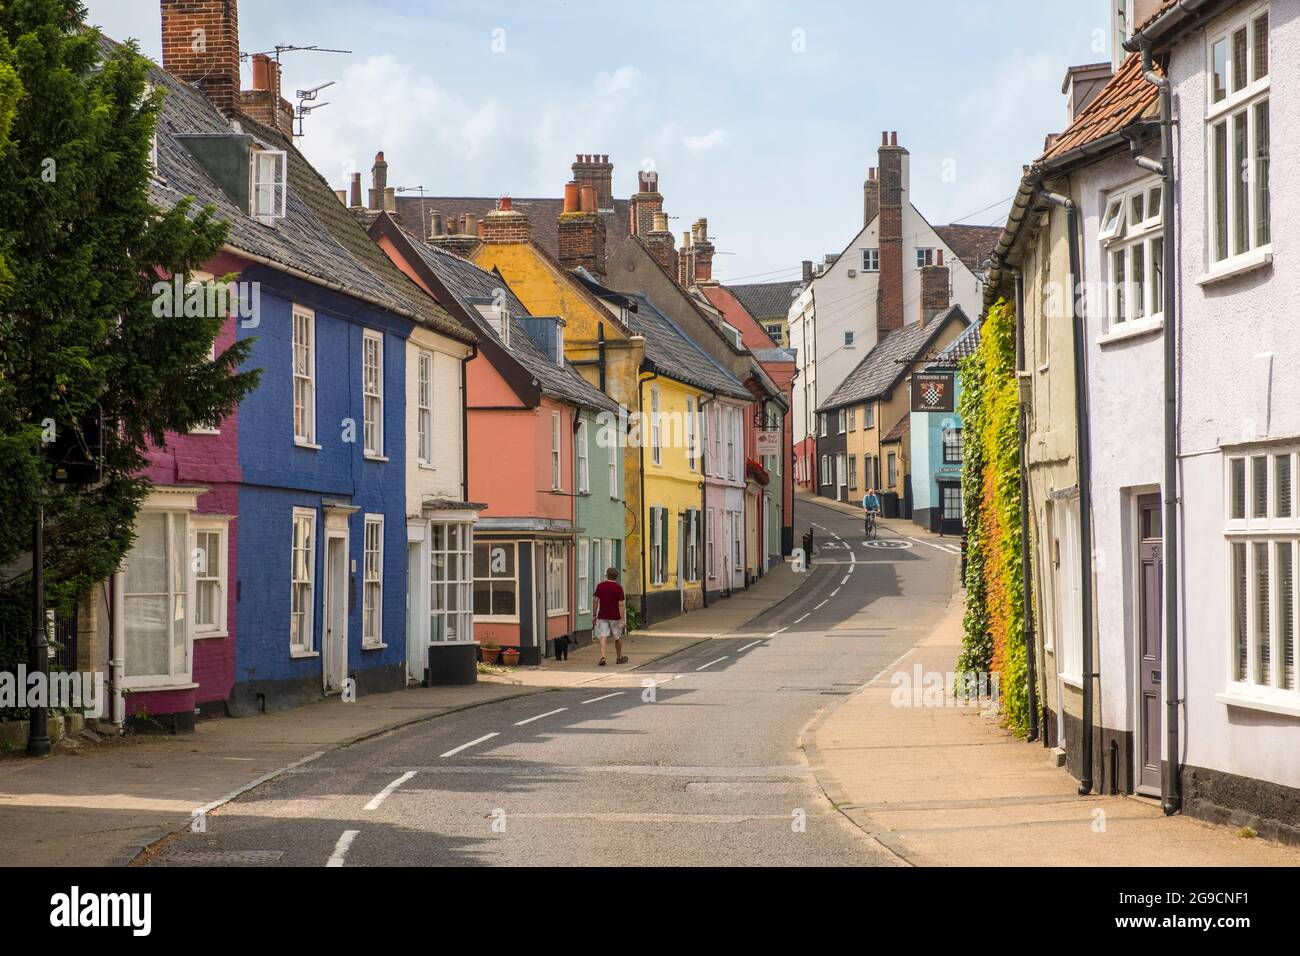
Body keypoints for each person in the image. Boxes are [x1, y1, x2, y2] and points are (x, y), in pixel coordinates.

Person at [592, 566, 627, 666]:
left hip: (602, 615)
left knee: (603, 635)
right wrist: (622, 619)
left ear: (607, 575)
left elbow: (595, 601)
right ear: (617, 577)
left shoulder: (600, 586)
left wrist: (594, 615)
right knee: (617, 637)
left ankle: (603, 656)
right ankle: (619, 657)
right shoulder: (619, 588)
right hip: (615, 617)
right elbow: (621, 605)